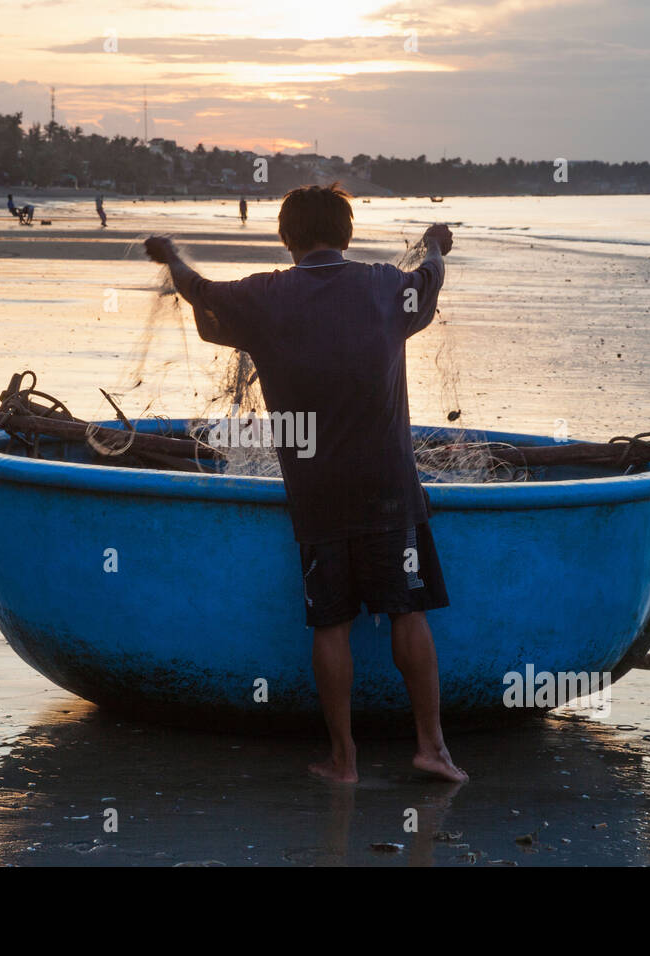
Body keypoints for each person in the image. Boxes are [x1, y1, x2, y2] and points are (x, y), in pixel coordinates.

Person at [144, 184, 465, 785]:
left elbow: (200, 292)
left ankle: (343, 760)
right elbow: (430, 275)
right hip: (391, 488)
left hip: (317, 491)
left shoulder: (267, 296)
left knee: (331, 624)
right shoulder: (379, 286)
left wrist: (171, 254)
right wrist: (436, 245)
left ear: (286, 238)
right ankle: (432, 748)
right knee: (408, 612)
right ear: (345, 233)